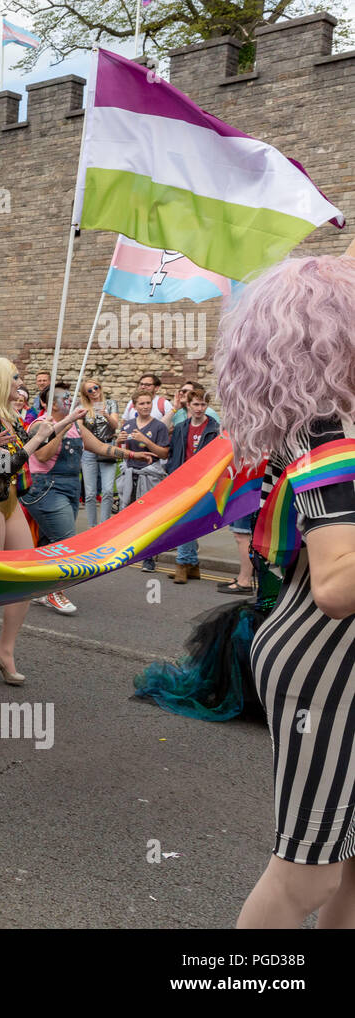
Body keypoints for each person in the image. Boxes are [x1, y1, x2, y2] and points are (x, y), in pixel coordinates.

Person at [215, 255, 355, 928]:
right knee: (308, 872)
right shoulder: (331, 433)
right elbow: (334, 584)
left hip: (327, 657)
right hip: (325, 668)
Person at [0, 358, 91, 685]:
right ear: (0, 381)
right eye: (15, 378)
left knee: (26, 574)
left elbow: (35, 441)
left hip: (10, 498)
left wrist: (65, 421)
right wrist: (37, 436)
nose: (20, 383)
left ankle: (4, 649)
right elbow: (6, 464)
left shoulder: (9, 415)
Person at [23, 382, 152, 615]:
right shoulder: (40, 425)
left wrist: (133, 454)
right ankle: (54, 590)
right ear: (46, 403)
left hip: (70, 488)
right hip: (46, 489)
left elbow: (102, 447)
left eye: (70, 396)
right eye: (63, 397)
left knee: (48, 542)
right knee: (67, 541)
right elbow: (42, 455)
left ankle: (39, 588)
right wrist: (62, 426)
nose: (69, 400)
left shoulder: (77, 427)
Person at [165, 387, 221, 583]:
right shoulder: (181, 427)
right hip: (182, 479)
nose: (199, 408)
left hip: (203, 481)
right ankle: (193, 564)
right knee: (185, 520)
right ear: (188, 405)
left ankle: (182, 563)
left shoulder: (215, 429)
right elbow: (173, 452)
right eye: (195, 404)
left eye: (203, 404)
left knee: (185, 521)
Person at [118, 390, 172, 572]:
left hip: (149, 475)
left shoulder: (159, 427)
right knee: (129, 515)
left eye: (148, 403)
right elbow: (122, 450)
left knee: (149, 518)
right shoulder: (128, 425)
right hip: (130, 475)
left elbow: (164, 453)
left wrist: (146, 441)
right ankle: (128, 552)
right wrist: (119, 441)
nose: (146, 406)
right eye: (142, 403)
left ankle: (149, 558)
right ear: (134, 406)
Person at [78, 377, 121, 528]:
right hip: (89, 450)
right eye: (90, 390)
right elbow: (79, 428)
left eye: (96, 388)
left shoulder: (111, 403)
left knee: (108, 490)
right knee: (90, 493)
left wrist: (106, 414)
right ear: (86, 394)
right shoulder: (82, 406)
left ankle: (104, 525)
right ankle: (92, 527)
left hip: (108, 447)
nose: (94, 392)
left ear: (100, 388)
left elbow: (115, 425)